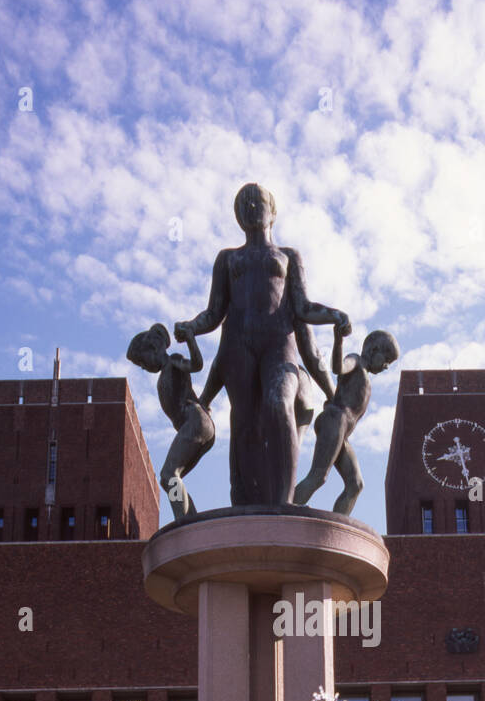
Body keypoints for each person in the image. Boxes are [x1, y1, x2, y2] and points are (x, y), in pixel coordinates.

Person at [176, 182, 349, 505]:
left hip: (278, 346)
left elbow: (303, 308)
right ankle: (244, 502)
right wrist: (191, 327)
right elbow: (214, 312)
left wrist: (334, 316)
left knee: (278, 401)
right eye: (243, 203)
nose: (250, 207)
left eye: (257, 201)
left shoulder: (288, 256)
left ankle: (283, 504)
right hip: (238, 346)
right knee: (243, 420)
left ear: (273, 212)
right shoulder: (227, 259)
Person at [292, 323, 399, 515]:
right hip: (335, 419)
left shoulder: (366, 376)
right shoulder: (356, 361)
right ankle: (284, 512)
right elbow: (338, 367)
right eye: (387, 359)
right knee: (318, 476)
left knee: (355, 484)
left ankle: (336, 529)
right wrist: (338, 339)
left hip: (343, 432)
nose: (386, 366)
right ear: (374, 350)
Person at [125, 323, 216, 521]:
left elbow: (196, 364)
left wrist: (191, 339)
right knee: (171, 479)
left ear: (154, 348)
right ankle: (190, 519)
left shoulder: (173, 361)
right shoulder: (164, 374)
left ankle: (184, 522)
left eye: (142, 360)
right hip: (195, 424)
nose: (143, 366)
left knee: (169, 474)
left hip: (195, 421)